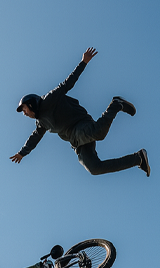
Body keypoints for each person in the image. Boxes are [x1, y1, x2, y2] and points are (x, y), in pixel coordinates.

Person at [10, 47, 150, 177]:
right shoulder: (41, 123)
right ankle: (138, 159)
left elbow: (67, 84)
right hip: (76, 141)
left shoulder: (49, 99)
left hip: (81, 125)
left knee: (98, 132)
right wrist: (22, 153)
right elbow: (34, 138)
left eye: (24, 109)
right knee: (94, 168)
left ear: (31, 104)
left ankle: (116, 104)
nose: (24, 113)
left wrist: (83, 62)